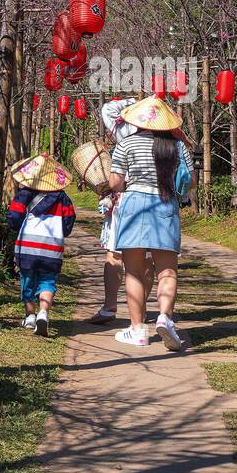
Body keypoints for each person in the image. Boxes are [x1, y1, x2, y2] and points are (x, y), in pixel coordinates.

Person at [108, 96, 194, 351]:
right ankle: (165, 318)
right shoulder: (178, 147)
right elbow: (191, 182)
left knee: (133, 271)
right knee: (167, 271)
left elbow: (115, 183)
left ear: (138, 120)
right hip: (165, 205)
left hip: (134, 205)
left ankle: (137, 331)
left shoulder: (126, 144)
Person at [7, 154, 77, 337]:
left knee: (27, 279)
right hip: (52, 247)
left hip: (27, 246)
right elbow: (68, 225)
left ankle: (30, 315)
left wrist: (15, 227)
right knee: (48, 281)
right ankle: (43, 313)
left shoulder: (24, 194)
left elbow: (14, 218)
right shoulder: (64, 199)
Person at [87, 95, 136, 325]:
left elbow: (108, 109)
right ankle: (141, 310)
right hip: (154, 203)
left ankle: (109, 307)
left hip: (124, 200)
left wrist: (132, 100)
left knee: (115, 254)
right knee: (143, 259)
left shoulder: (124, 135)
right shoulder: (164, 138)